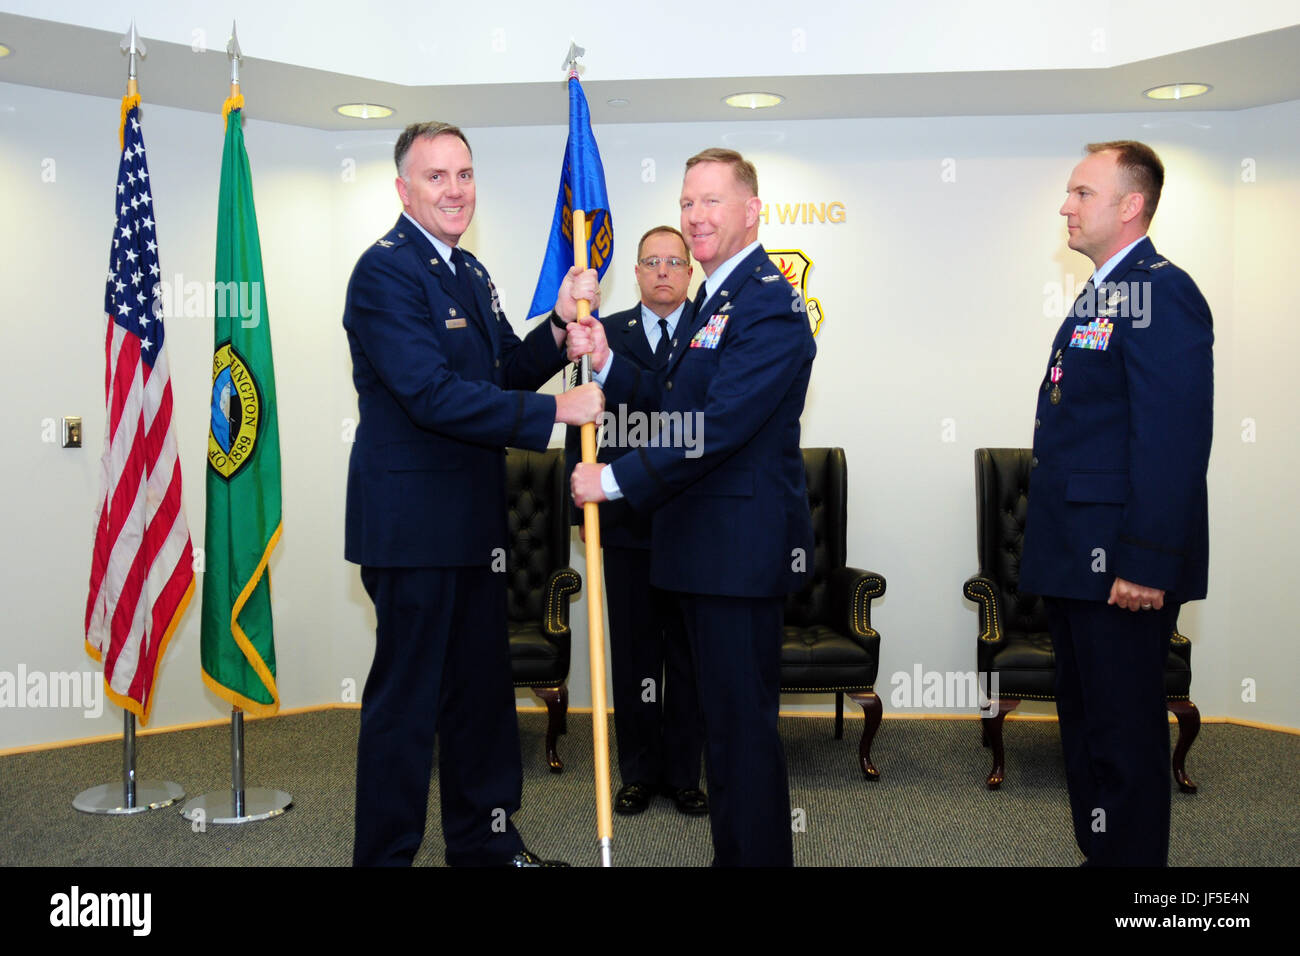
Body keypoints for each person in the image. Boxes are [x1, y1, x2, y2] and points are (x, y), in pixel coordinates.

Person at [342, 121, 603, 867]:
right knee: (406, 708)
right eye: (436, 177)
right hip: (412, 528)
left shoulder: (470, 272)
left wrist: (557, 329)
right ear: (403, 189)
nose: (454, 190)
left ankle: (486, 849)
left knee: (481, 699)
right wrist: (559, 412)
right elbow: (431, 395)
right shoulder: (384, 273)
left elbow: (498, 377)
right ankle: (385, 858)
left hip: (476, 529)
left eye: (464, 174)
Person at [570, 148, 816, 866]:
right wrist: (612, 365)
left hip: (737, 558)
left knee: (742, 737)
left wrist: (611, 484)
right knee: (727, 736)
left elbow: (715, 428)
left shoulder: (767, 299)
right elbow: (678, 409)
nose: (695, 216)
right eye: (686, 203)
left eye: (711, 201)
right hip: (705, 556)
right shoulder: (717, 300)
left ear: (752, 212)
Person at [1019, 140, 1214, 867]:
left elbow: (1173, 440)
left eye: (1082, 194)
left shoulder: (1162, 290)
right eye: (1069, 193)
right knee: (1089, 731)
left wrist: (1145, 561)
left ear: (1131, 206)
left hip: (1121, 569)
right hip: (1078, 560)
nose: (1066, 207)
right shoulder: (1105, 289)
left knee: (1124, 740)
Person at [565, 226, 707, 818]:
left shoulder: (712, 330)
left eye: (676, 261)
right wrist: (580, 500)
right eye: (652, 261)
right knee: (632, 651)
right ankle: (638, 772)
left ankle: (683, 774)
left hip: (695, 519)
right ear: (637, 272)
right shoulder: (600, 332)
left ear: (691, 271)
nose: (664, 272)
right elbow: (580, 416)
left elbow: (693, 417)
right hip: (623, 519)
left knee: (690, 656)